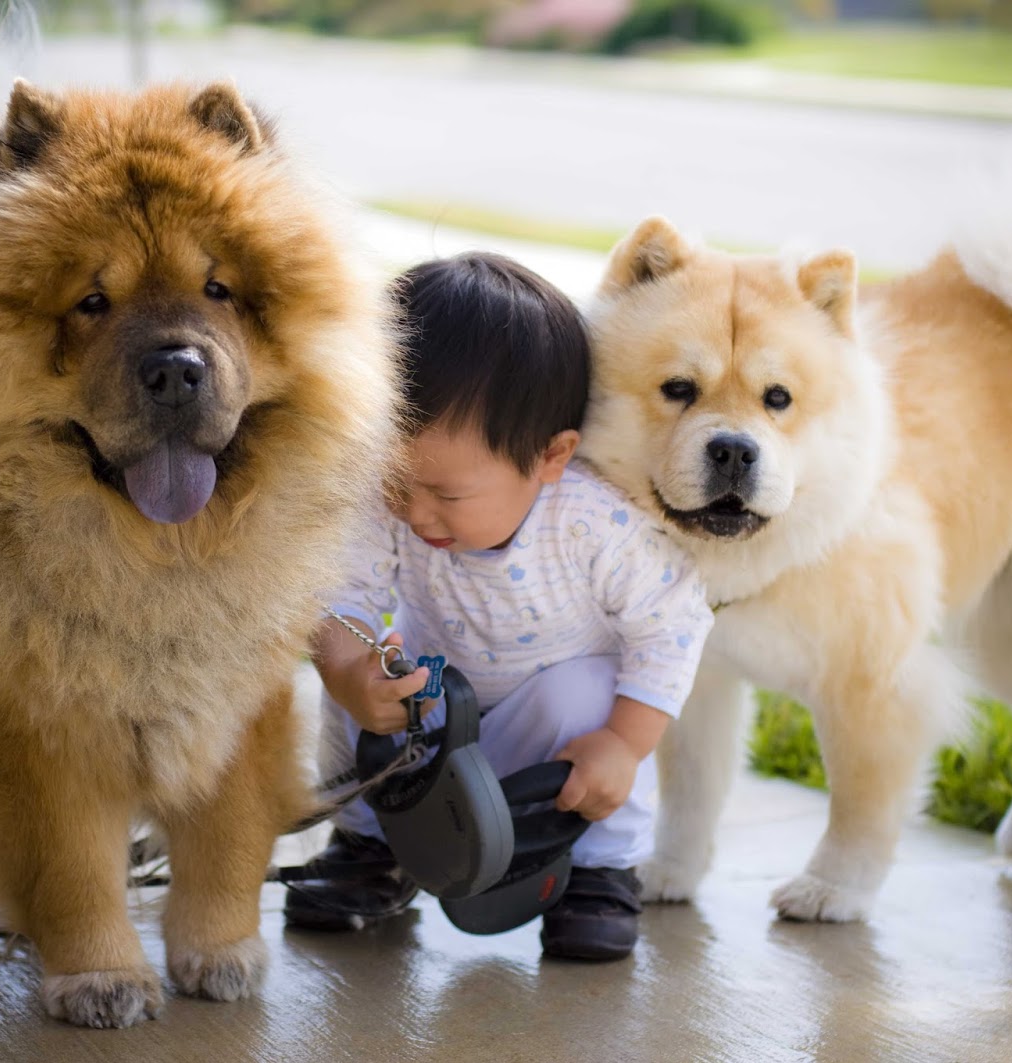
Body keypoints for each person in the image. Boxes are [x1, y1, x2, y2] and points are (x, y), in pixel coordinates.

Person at [288, 251, 713, 961]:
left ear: (550, 457)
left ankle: (598, 873)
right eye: (394, 479)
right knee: (361, 672)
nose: (415, 511)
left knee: (585, 694)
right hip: (432, 717)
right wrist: (350, 672)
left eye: (447, 494)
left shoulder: (594, 524)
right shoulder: (391, 504)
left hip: (551, 744)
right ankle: (367, 849)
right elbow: (341, 596)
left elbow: (671, 626)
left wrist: (624, 743)